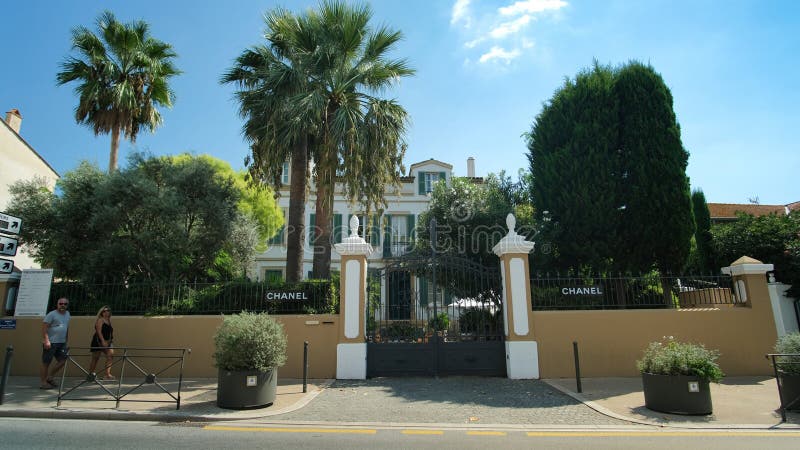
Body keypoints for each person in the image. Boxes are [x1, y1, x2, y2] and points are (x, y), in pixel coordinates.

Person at [40, 297, 71, 389]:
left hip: (61, 343)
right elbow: (44, 328)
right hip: (51, 343)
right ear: (57, 304)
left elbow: (66, 328)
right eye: (60, 303)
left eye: (65, 304)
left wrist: (66, 341)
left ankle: (50, 377)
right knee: (46, 363)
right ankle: (43, 382)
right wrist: (46, 341)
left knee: (63, 360)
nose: (62, 305)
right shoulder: (51, 314)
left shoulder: (68, 314)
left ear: (67, 305)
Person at [88, 305, 114, 380]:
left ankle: (107, 374)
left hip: (108, 341)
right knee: (95, 358)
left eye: (108, 311)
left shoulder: (109, 320)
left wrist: (109, 340)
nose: (106, 312)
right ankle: (91, 375)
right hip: (98, 341)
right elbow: (98, 332)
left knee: (110, 356)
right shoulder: (100, 320)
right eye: (104, 311)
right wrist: (103, 341)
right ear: (101, 312)